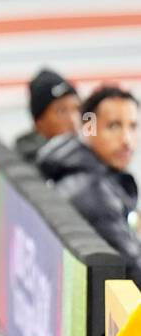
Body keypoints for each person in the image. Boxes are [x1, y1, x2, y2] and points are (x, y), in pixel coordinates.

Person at [36, 85, 140, 286]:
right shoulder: (95, 194)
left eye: (133, 126)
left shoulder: (76, 168)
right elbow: (135, 270)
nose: (127, 140)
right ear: (88, 127)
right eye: (114, 126)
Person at [15, 68, 80, 163]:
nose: (73, 119)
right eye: (61, 111)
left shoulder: (91, 155)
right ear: (39, 124)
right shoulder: (26, 168)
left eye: (77, 109)